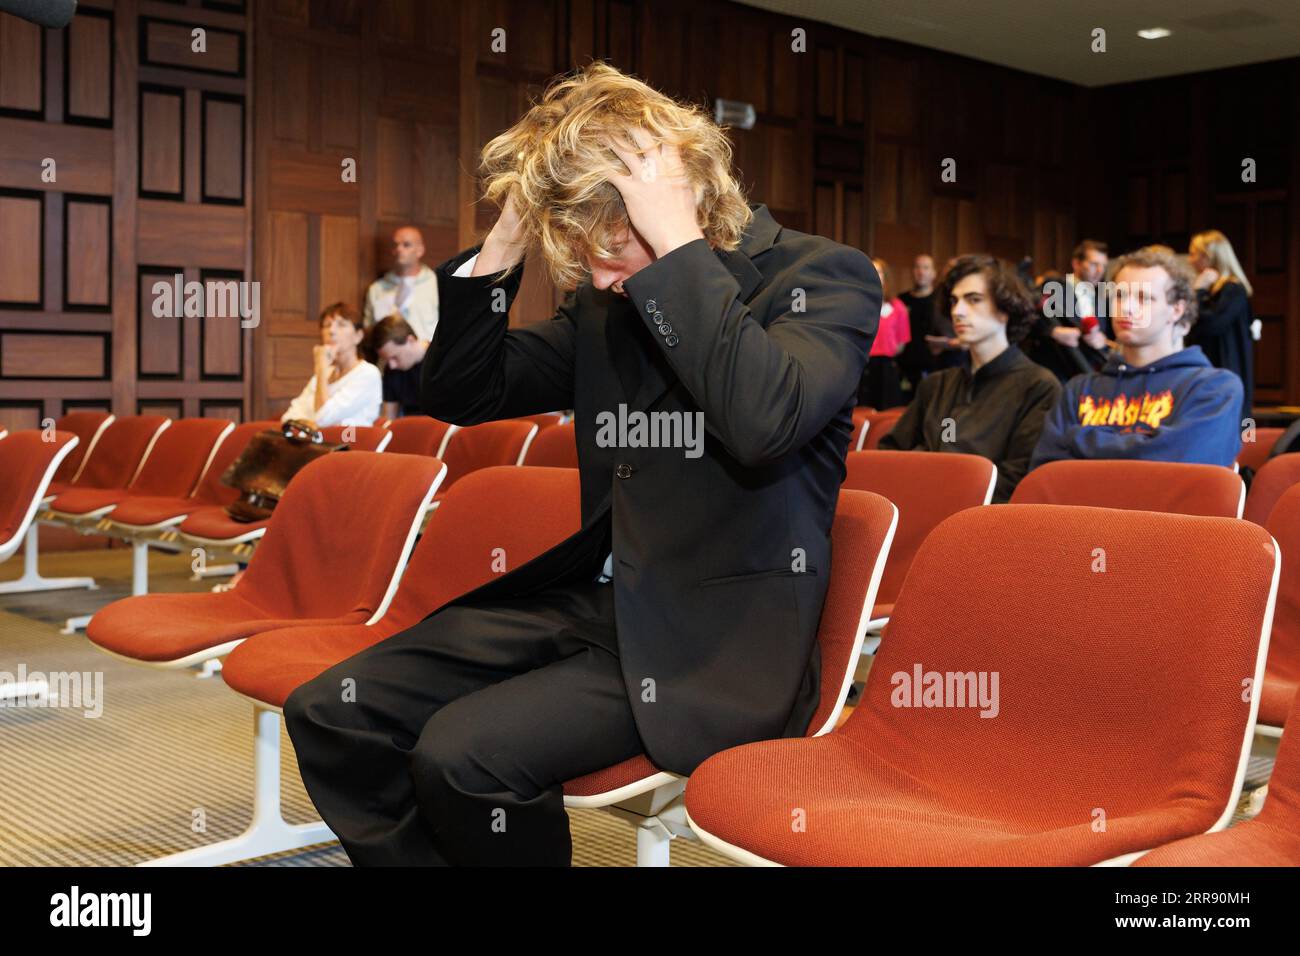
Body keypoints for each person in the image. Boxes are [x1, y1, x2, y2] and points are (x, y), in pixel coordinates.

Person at [283, 62, 881, 867]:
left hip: (709, 641)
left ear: (684, 197)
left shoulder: (820, 278)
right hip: (592, 605)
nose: (600, 279)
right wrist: (507, 238)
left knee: (464, 757)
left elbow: (762, 421)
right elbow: (462, 390)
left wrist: (673, 244)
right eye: (584, 257)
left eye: (613, 249)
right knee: (331, 710)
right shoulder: (613, 301)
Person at [1031, 246, 1242, 469]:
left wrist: (1077, 438)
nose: (1127, 308)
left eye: (1143, 298)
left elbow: (1179, 469)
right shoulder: (1078, 389)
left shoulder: (1214, 388)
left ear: (1176, 310)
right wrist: (1142, 444)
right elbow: (1046, 471)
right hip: (1077, 504)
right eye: (1119, 296)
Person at [879, 255, 1061, 502]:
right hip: (917, 513)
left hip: (985, 526)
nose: (957, 311)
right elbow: (889, 455)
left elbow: (1019, 480)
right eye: (954, 301)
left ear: (1005, 310)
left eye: (973, 300)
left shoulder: (1039, 386)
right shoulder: (935, 385)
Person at [1188, 229, 1255, 426]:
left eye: (1193, 254)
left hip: (1225, 366)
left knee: (1232, 426)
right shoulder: (1212, 289)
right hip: (1206, 366)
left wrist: (1198, 291)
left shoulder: (1233, 289)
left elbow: (1212, 324)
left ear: (1208, 258)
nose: (1190, 260)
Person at [281, 303, 382, 427]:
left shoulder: (367, 373)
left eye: (341, 325)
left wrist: (320, 367)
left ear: (358, 336)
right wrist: (310, 423)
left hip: (349, 443)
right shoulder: (325, 372)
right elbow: (289, 417)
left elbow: (322, 417)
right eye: (327, 325)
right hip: (315, 443)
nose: (331, 331)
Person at [363, 226, 440, 340]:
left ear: (420, 250)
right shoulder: (377, 289)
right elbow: (368, 330)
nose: (399, 249)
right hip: (387, 354)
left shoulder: (436, 284)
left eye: (406, 245)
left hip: (427, 354)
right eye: (395, 245)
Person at [857, 257, 910, 409]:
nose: (875, 274)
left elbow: (901, 343)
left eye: (879, 271)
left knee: (887, 410)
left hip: (886, 368)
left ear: (885, 276)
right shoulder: (860, 305)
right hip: (863, 366)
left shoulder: (898, 307)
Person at [369, 315, 429, 419]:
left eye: (395, 357)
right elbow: (388, 418)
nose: (392, 365)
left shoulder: (442, 360)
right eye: (387, 360)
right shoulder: (391, 371)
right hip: (410, 428)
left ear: (411, 340)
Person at [897, 254, 937, 394]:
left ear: (933, 273)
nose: (921, 272)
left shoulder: (940, 300)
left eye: (926, 267)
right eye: (917, 267)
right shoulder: (900, 301)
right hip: (904, 369)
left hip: (933, 370)